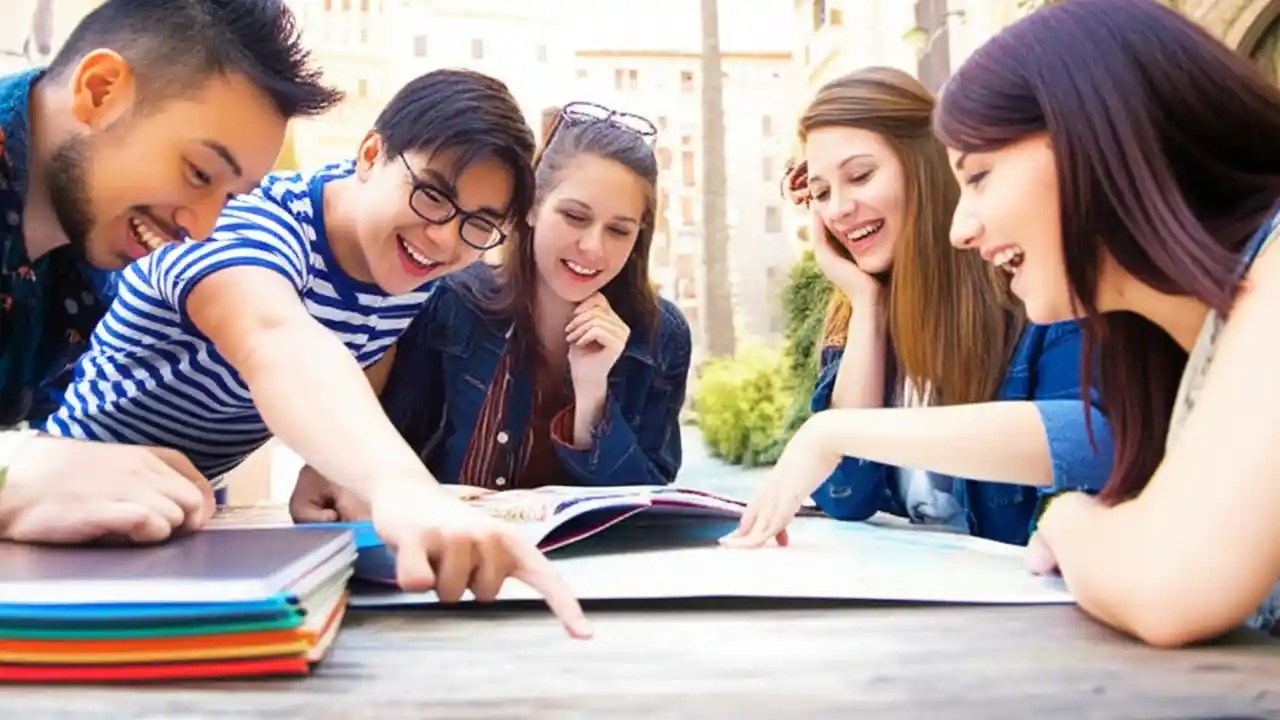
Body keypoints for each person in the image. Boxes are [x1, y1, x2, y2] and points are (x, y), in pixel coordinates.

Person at [41, 69, 591, 638]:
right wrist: (404, 486)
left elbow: (362, 357)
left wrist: (333, 465)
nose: (444, 240)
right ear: (372, 154)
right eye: (432, 195)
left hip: (188, 515)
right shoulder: (252, 221)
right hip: (61, 497)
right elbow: (274, 337)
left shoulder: (412, 271)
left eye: (479, 224)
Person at [934, 0, 1280, 647]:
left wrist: (1069, 520)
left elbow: (1170, 582)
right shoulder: (1181, 353)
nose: (960, 229)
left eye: (979, 176)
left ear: (1098, 133)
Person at [722, 67, 1113, 549]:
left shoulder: (1036, 290)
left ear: (926, 166)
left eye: (860, 176)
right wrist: (867, 305)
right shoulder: (863, 312)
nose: (838, 209)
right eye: (822, 193)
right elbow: (845, 494)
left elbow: (1095, 441)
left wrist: (836, 431)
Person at [0, 0, 339, 546]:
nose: (201, 227)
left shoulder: (84, 267)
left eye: (230, 199)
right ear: (101, 91)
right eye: (199, 172)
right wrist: (14, 471)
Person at [289, 101, 691, 521]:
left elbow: (645, 508)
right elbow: (381, 442)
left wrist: (593, 399)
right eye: (574, 216)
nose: (593, 247)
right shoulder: (447, 301)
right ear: (532, 206)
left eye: (619, 230)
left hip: (586, 578)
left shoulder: (661, 336)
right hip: (448, 563)